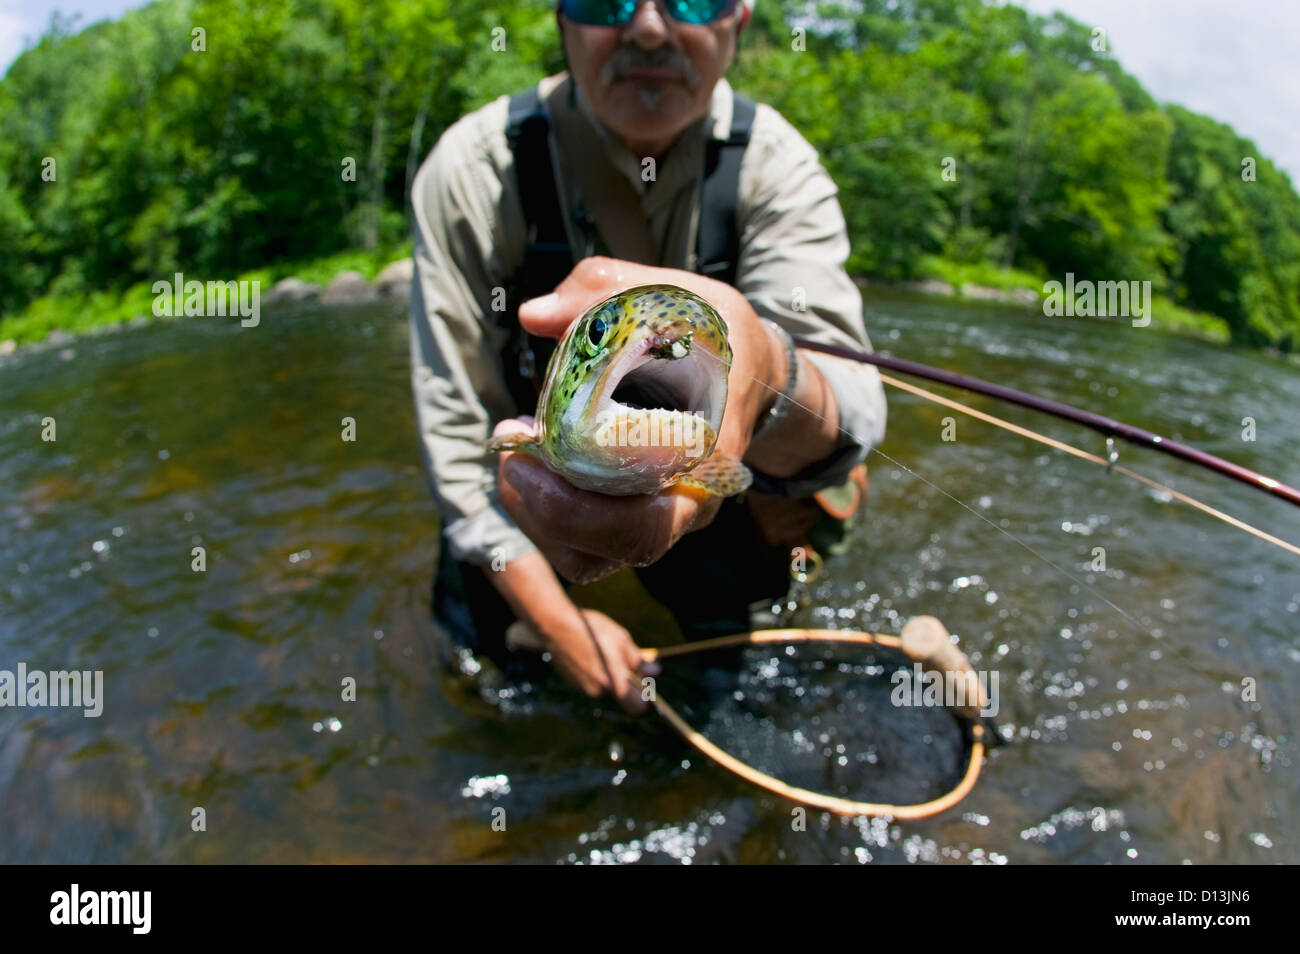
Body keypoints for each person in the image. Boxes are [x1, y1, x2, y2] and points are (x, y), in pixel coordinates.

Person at [409, 0, 886, 714]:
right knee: (486, 669)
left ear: (740, 22)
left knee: (732, 676)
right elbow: (456, 443)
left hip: (710, 479)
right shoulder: (471, 173)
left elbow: (854, 412)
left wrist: (770, 374)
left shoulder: (778, 168)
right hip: (521, 481)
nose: (650, 28)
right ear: (560, 19)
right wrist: (558, 625)